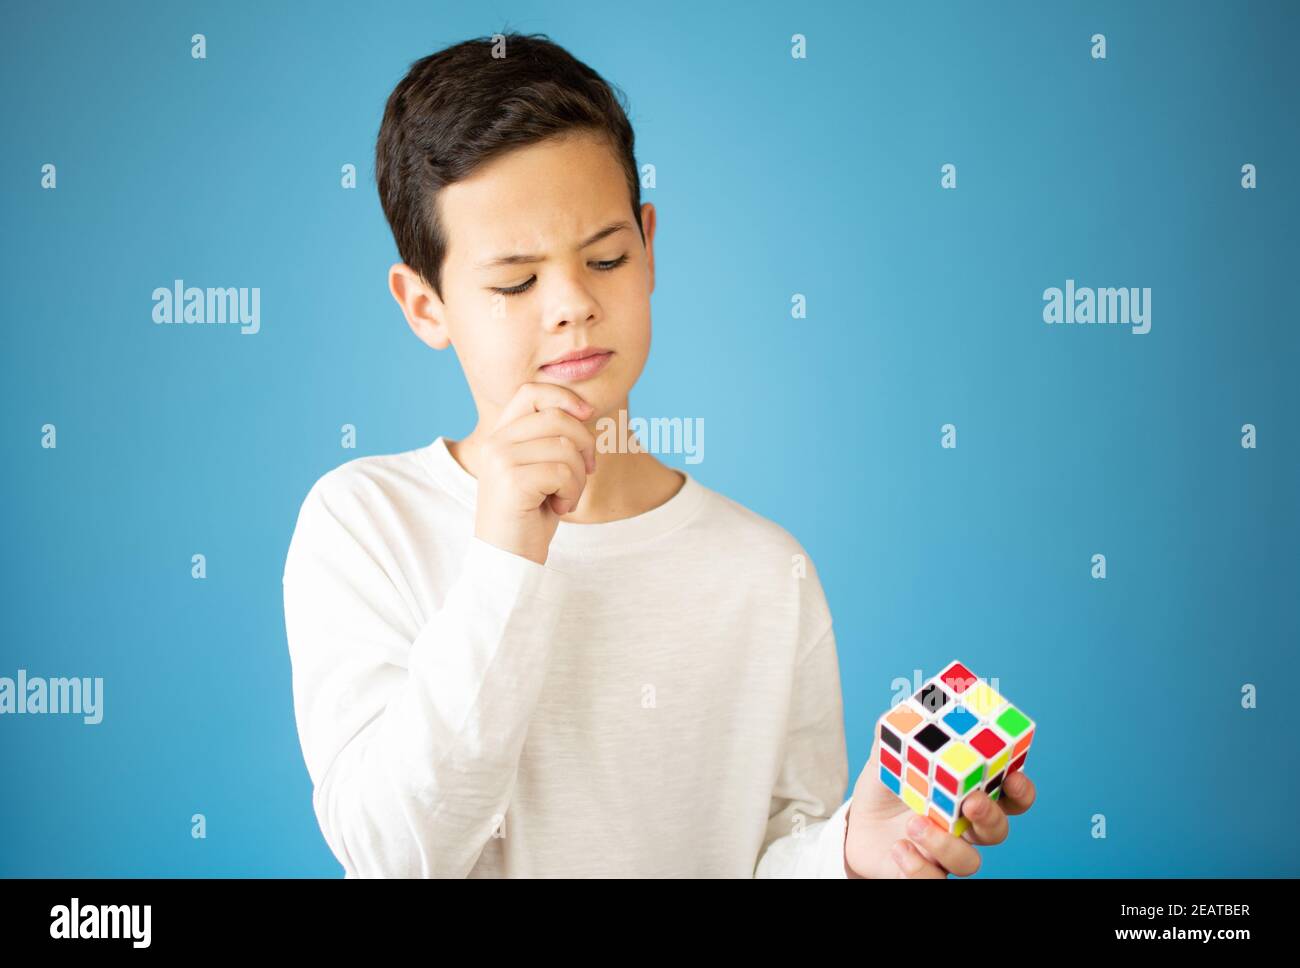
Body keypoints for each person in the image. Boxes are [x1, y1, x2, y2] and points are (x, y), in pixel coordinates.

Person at [282, 31, 1036, 878]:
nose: (571, 304)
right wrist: (503, 556)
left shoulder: (766, 572)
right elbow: (394, 856)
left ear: (648, 247)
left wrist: (850, 854)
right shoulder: (362, 523)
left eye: (605, 258)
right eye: (516, 282)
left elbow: (772, 860)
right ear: (425, 305)